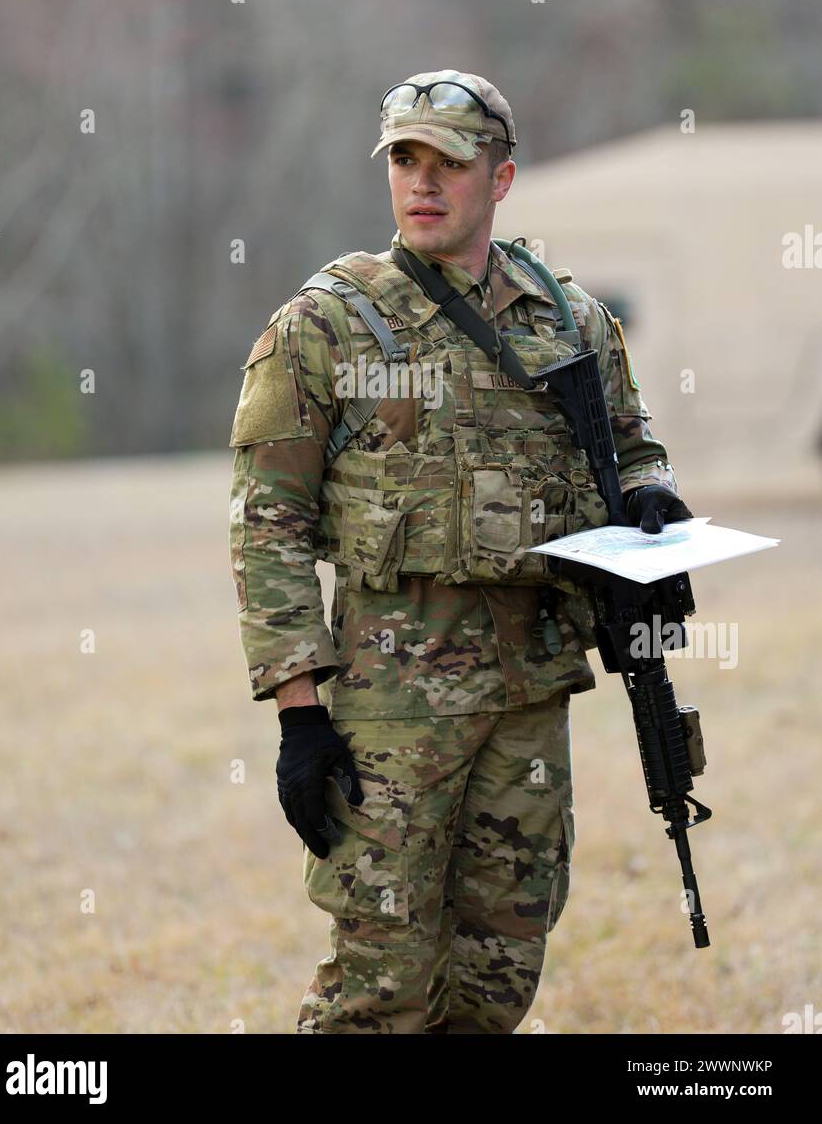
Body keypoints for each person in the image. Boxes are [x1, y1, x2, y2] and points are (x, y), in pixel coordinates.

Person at [228, 68, 691, 1034]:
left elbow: (631, 447)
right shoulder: (326, 324)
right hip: (390, 705)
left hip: (530, 690)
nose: (423, 182)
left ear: (503, 177)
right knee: (380, 987)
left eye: (449, 161)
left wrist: (651, 492)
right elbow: (265, 525)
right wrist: (299, 716)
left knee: (496, 979)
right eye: (405, 159)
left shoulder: (570, 321)